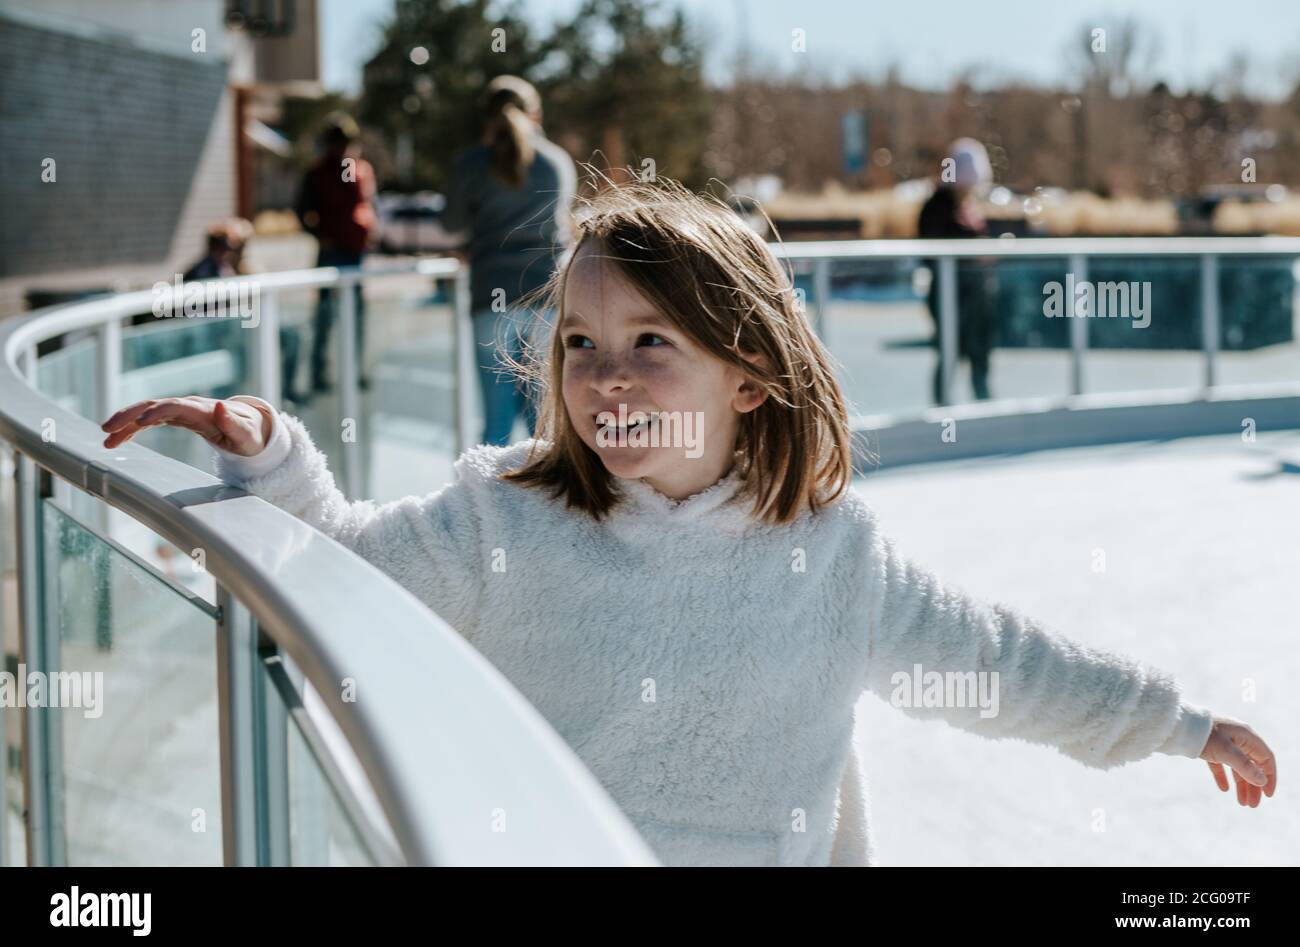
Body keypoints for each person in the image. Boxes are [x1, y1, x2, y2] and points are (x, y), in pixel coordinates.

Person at [100, 178, 1276, 867]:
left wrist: (1174, 719)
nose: (605, 377)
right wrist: (273, 450)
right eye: (580, 346)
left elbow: (998, 663)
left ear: (749, 375)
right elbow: (350, 571)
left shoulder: (833, 557)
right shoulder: (502, 520)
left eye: (649, 345)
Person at [440, 75, 577, 445]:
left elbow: (450, 224)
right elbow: (561, 224)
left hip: (491, 296)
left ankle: (486, 502)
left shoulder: (472, 163)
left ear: (487, 119)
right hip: (544, 297)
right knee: (544, 422)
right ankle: (550, 503)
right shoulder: (556, 162)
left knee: (496, 426)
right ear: (536, 114)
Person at [181, 218, 306, 407]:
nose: (236, 251)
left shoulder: (231, 267)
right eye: (233, 246)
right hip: (220, 335)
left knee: (290, 335)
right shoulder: (204, 272)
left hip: (239, 328)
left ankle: (283, 392)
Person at [296, 112, 377, 393]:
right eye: (338, 142)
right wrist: (322, 236)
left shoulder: (361, 170)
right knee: (325, 316)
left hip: (356, 253)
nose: (343, 148)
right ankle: (320, 372)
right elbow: (302, 212)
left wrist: (368, 231)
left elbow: (367, 205)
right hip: (331, 255)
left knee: (356, 315)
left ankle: (356, 370)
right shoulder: (317, 173)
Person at [918, 137, 999, 402]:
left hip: (975, 293)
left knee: (978, 351)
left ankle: (982, 403)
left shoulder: (968, 207)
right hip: (951, 294)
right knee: (950, 351)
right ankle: (943, 410)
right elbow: (931, 250)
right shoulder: (938, 207)